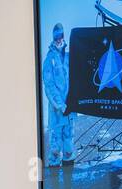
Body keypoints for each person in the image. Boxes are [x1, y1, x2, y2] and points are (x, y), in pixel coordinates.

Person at [42, 23, 74, 167]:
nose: (59, 39)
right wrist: (61, 105)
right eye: (56, 36)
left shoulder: (68, 58)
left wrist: (72, 102)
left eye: (60, 35)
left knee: (69, 143)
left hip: (69, 109)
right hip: (57, 110)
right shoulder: (49, 60)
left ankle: (69, 180)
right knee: (55, 146)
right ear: (53, 37)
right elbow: (49, 86)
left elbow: (75, 79)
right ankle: (54, 183)